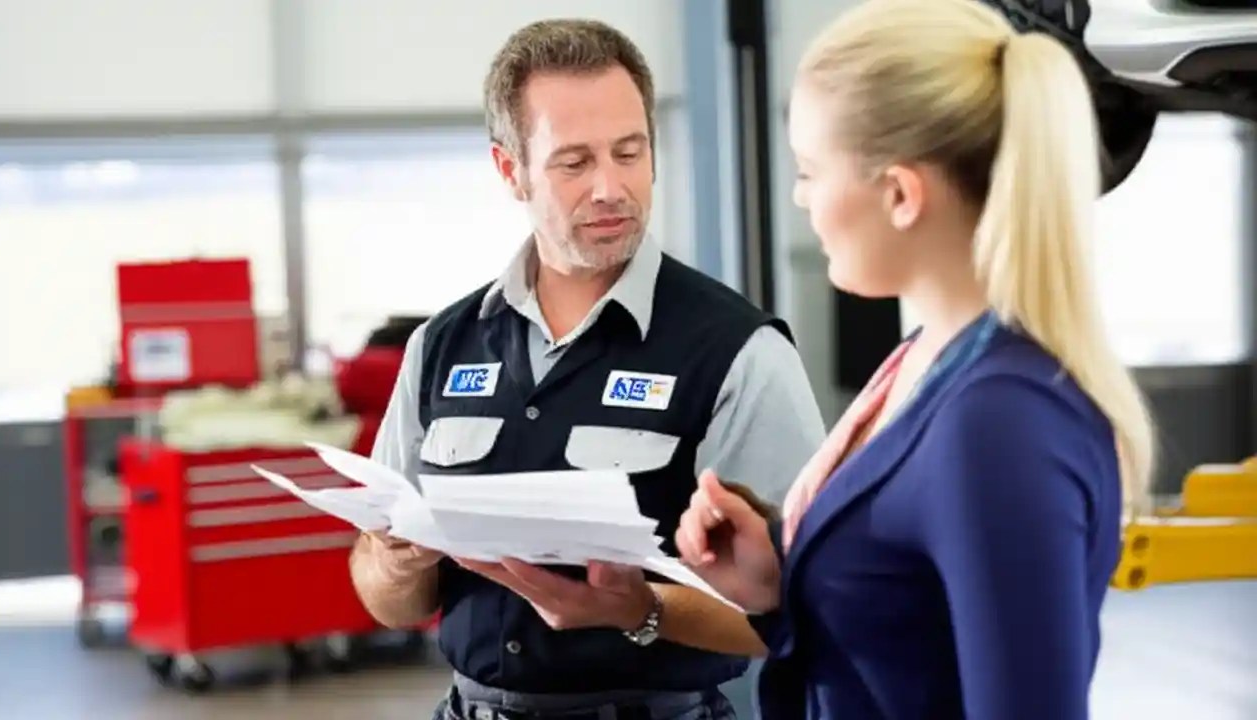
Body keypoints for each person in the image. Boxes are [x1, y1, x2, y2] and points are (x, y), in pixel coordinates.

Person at [675, 0, 1157, 718]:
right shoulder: (922, 362)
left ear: (900, 193)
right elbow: (904, 644)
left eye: (810, 171)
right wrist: (777, 582)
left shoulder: (1002, 422)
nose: (801, 198)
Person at [348, 18, 826, 720]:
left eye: (629, 152)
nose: (610, 187)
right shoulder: (440, 347)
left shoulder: (739, 352)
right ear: (510, 170)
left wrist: (643, 610)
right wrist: (394, 565)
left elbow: (807, 606)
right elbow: (387, 597)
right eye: (573, 163)